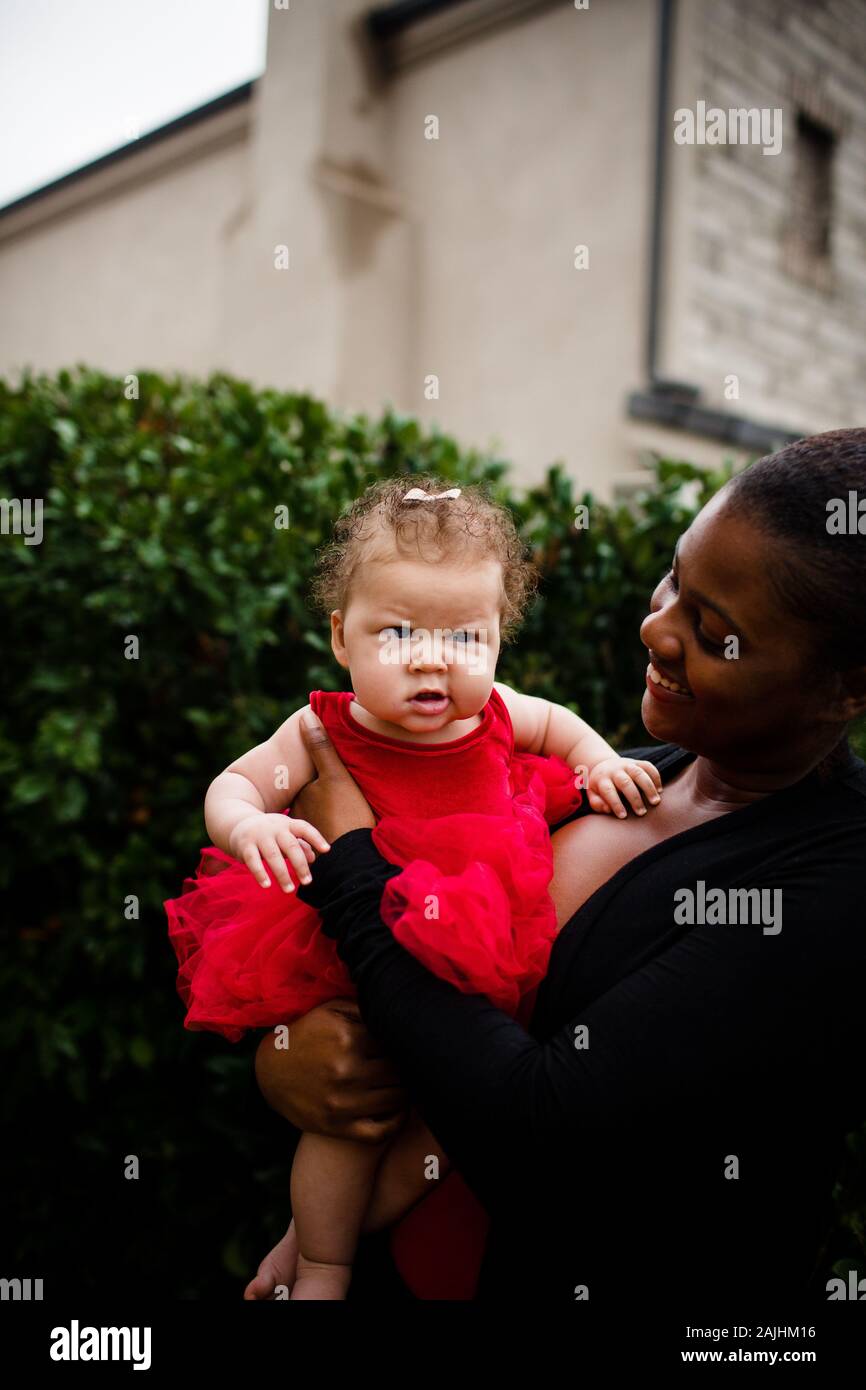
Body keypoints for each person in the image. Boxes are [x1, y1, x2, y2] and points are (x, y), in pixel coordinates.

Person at [254, 429, 866, 1306]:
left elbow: (539, 1134)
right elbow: (414, 1012)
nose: (656, 627)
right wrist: (300, 1059)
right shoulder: (623, 778)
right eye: (673, 580)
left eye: (713, 629)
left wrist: (353, 865)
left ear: (849, 685)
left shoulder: (831, 887)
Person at [163, 475, 662, 1300]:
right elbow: (234, 786)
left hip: (480, 954)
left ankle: (310, 1237)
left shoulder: (499, 713)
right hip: (361, 963)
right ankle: (324, 1264)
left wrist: (601, 764)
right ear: (340, 638)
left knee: (444, 1124)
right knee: (352, 1115)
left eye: (467, 637)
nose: (433, 659)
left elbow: (566, 729)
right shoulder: (323, 730)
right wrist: (252, 827)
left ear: (499, 637)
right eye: (397, 634)